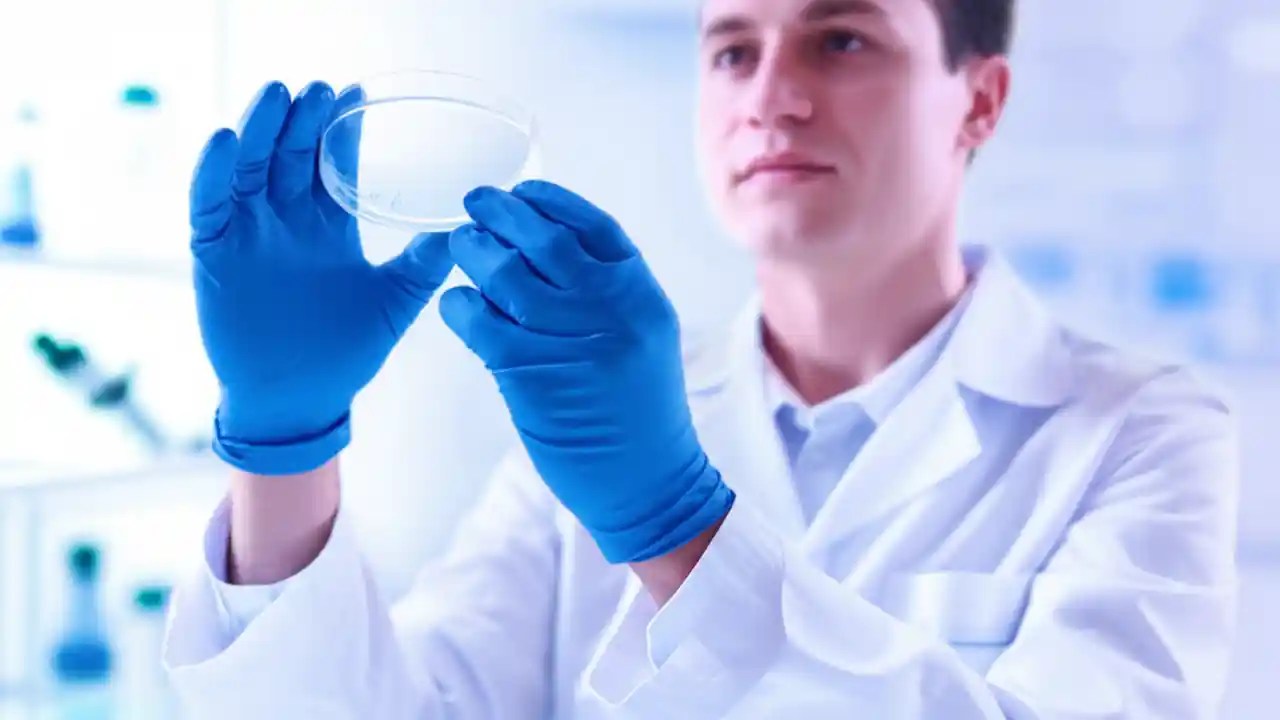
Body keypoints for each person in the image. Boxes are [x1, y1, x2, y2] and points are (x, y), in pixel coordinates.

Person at [163, 0, 1240, 717]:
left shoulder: (1141, 433)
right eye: (732, 49)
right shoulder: (595, 427)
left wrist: (674, 528)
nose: (770, 93)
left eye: (842, 40)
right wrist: (281, 442)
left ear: (978, 99)